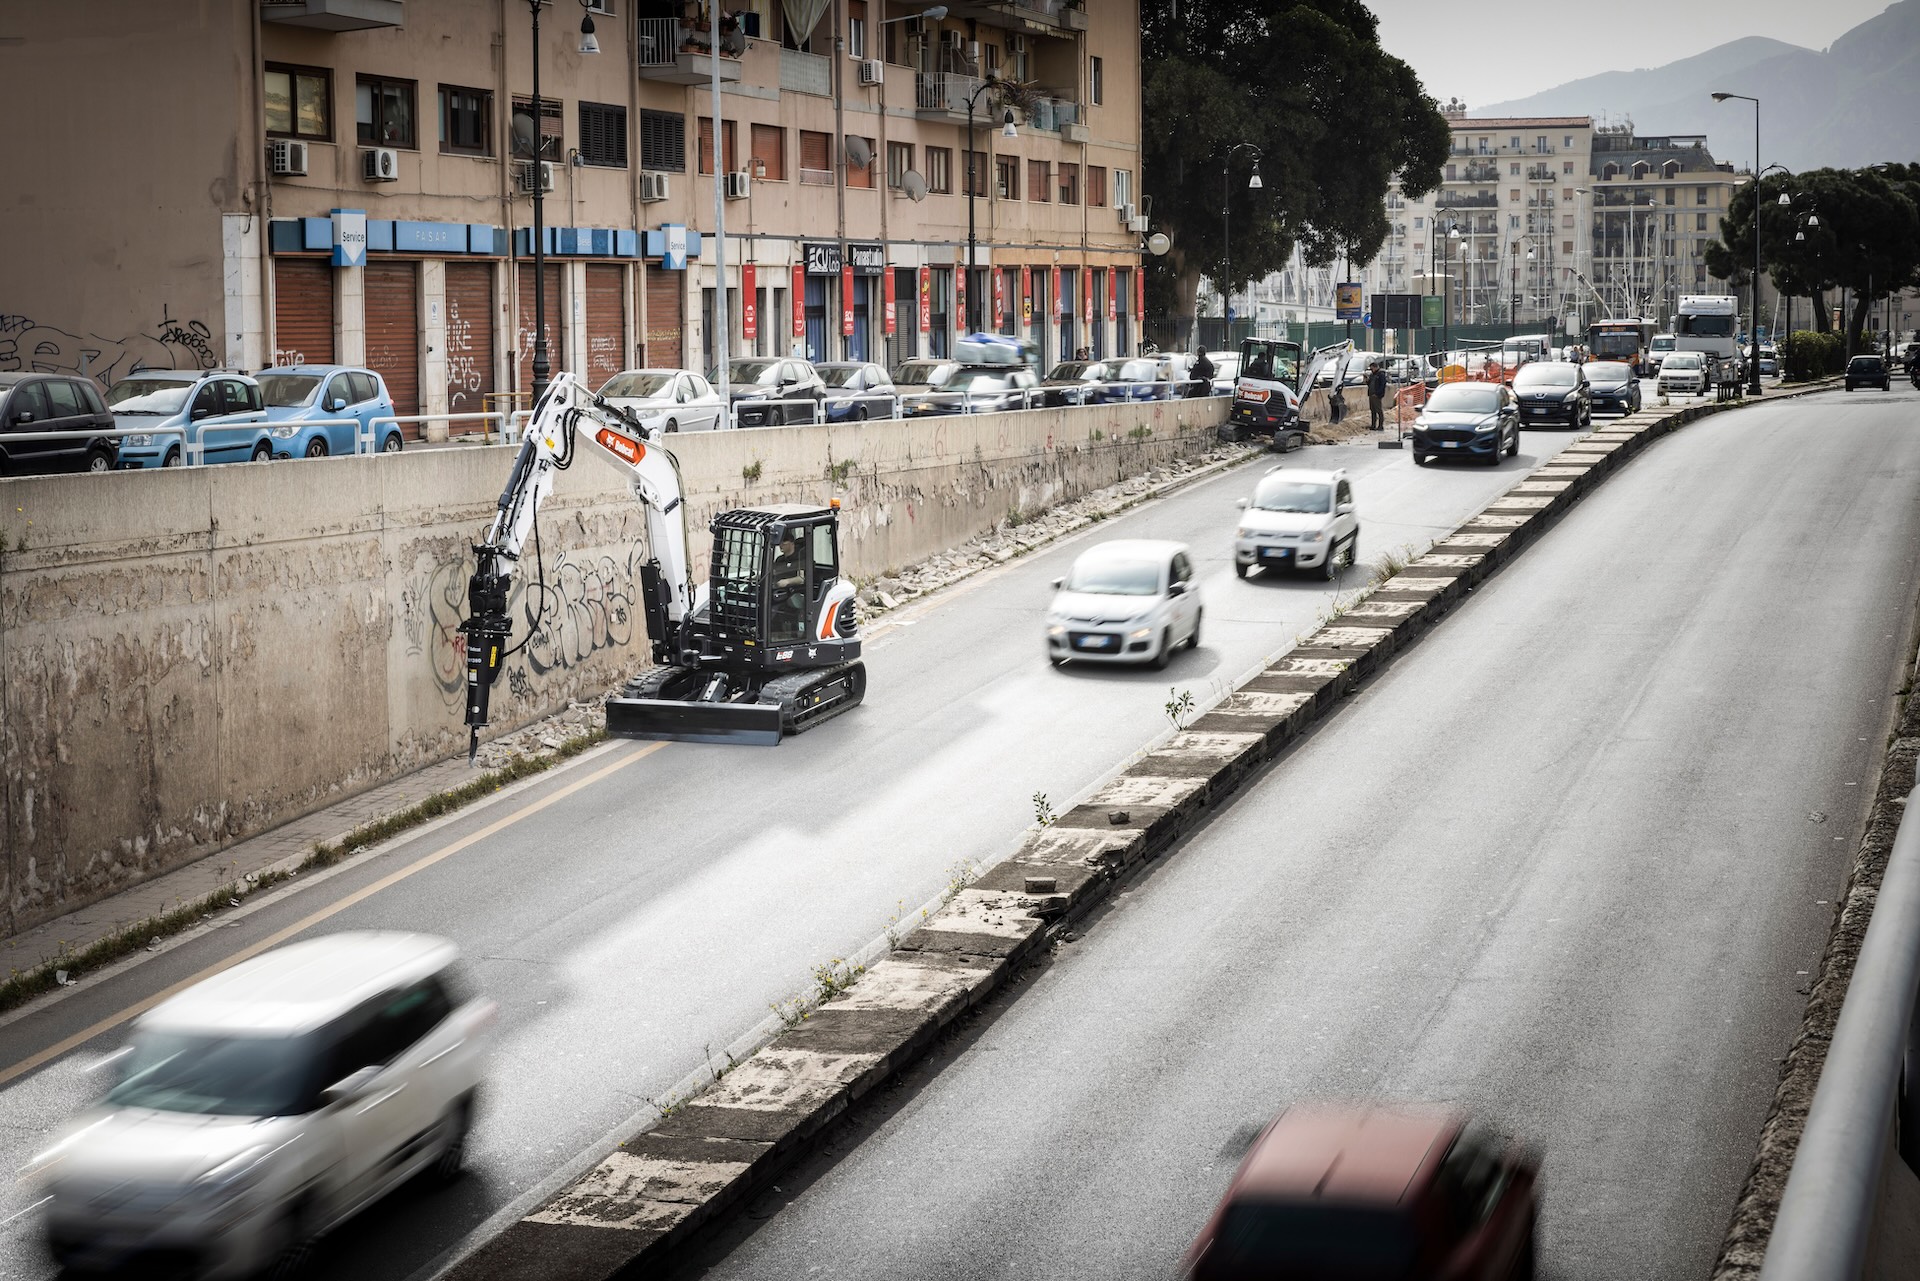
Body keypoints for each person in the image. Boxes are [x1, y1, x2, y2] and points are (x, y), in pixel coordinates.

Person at [1366, 361, 1388, 431]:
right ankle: (1373, 425)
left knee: (1379, 410)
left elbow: (1382, 385)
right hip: (1371, 395)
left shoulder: (1381, 374)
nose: (1371, 370)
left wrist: (1377, 393)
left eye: (1372, 368)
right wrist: (1367, 380)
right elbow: (1369, 383)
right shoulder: (1372, 375)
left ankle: (1380, 426)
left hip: (1377, 395)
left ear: (1375, 367)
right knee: (1373, 411)